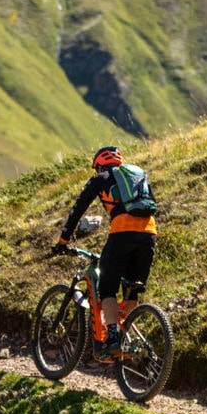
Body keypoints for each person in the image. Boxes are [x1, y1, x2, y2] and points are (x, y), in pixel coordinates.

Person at [52, 145, 158, 358]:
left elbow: (78, 209)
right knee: (132, 289)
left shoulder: (100, 178)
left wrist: (63, 240)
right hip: (149, 234)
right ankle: (124, 336)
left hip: (122, 234)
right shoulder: (137, 176)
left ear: (99, 164)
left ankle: (112, 337)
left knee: (107, 288)